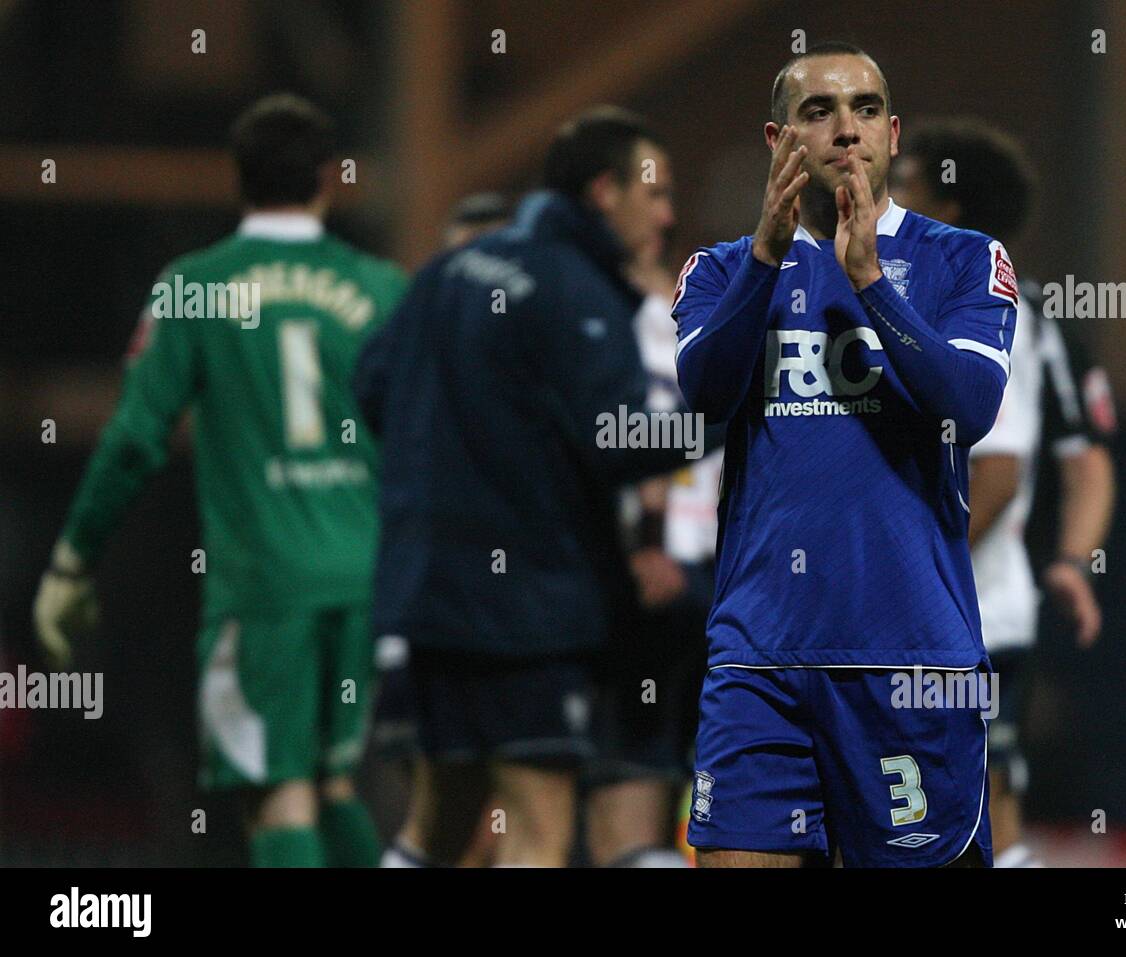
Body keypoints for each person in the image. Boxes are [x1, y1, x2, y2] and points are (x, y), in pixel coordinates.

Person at [31, 93, 408, 867]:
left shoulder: (194, 288)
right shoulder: (381, 288)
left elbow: (135, 437)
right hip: (364, 573)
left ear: (238, 179)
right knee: (335, 785)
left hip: (265, 581)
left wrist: (74, 557)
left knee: (278, 793)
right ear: (330, 178)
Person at [673, 42, 1020, 867]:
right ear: (777, 139)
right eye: (817, 111)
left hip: (906, 660)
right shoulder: (720, 270)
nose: (845, 130)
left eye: (865, 109)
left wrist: (868, 280)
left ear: (894, 134)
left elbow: (967, 408)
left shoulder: (963, 260)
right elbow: (704, 394)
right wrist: (766, 255)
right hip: (758, 655)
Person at [354, 107, 704, 867]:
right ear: (606, 191)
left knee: (442, 818)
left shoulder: (447, 270)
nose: (669, 214)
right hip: (525, 606)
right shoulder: (575, 291)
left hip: (427, 594)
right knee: (538, 822)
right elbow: (618, 440)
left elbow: (373, 382)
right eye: (657, 192)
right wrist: (719, 415)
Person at [891, 118, 1117, 866]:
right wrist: (1072, 559)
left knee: (979, 797)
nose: (887, 194)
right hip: (959, 606)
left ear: (948, 207)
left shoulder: (986, 312)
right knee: (940, 800)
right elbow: (1085, 462)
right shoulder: (919, 300)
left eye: (904, 181)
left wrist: (910, 579)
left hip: (962, 612)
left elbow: (1005, 469)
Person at [371, 193, 513, 869]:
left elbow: (365, 391)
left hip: (410, 613)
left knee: (443, 817)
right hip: (477, 618)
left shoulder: (409, 333)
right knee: (491, 816)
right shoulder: (525, 346)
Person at [584, 243, 723, 868]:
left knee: (630, 790)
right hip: (727, 576)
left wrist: (647, 541)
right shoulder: (724, 326)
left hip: (661, 573)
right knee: (710, 783)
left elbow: (652, 436)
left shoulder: (628, 327)